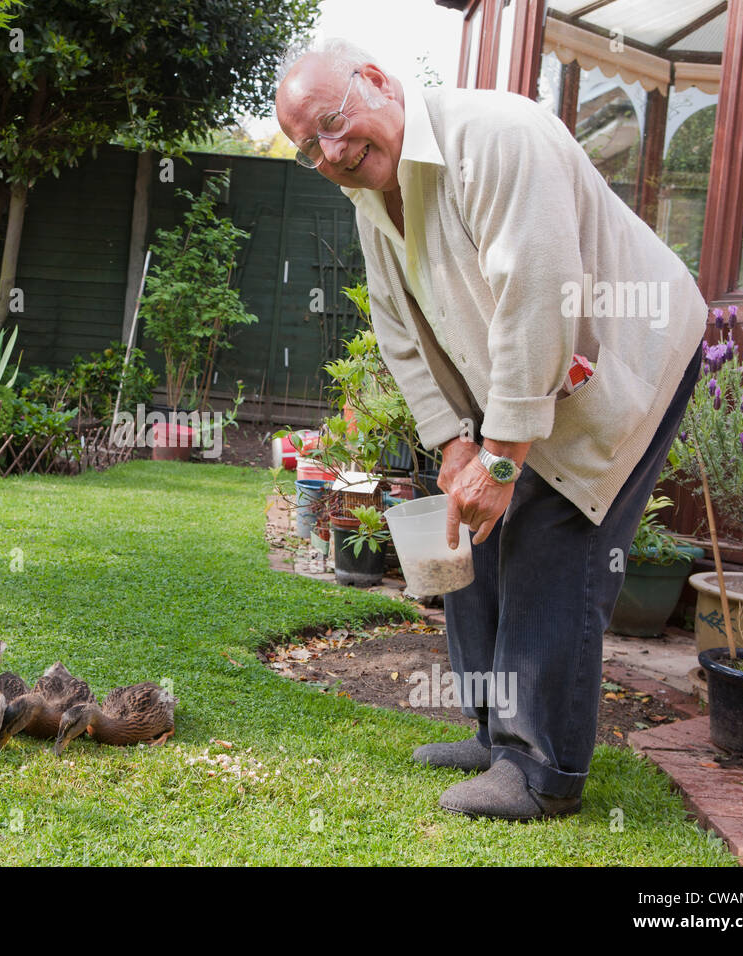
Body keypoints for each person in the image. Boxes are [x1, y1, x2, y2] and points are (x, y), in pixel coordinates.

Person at [275, 39, 706, 820]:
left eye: (335, 123)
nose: (333, 152)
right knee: (469, 529)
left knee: (550, 535)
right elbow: (398, 330)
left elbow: (540, 296)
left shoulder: (498, 138)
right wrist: (455, 445)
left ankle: (540, 771)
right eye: (311, 149)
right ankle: (490, 730)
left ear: (376, 81)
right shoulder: (371, 196)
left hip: (627, 362)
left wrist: (504, 460)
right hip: (525, 378)